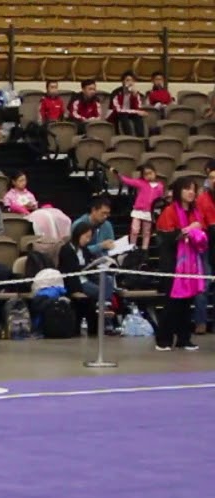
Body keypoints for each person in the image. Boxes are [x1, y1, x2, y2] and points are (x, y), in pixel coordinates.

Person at [154, 178, 207, 351]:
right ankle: (164, 339)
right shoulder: (169, 211)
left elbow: (202, 234)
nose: (191, 192)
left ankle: (184, 338)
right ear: (179, 191)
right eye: (187, 189)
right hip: (173, 262)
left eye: (193, 189)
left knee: (187, 302)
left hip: (192, 263)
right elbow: (166, 237)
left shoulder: (196, 212)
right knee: (172, 302)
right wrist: (188, 230)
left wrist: (197, 234)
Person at [115, 163, 164, 249]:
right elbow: (129, 181)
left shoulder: (159, 186)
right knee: (134, 230)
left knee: (146, 232)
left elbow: (160, 199)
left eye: (150, 173)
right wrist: (119, 176)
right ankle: (132, 247)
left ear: (155, 173)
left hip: (149, 211)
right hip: (138, 210)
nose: (149, 176)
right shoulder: (141, 183)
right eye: (146, 174)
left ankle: (144, 249)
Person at [108, 71, 146, 137]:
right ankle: (129, 137)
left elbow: (138, 108)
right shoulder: (116, 93)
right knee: (123, 115)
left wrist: (134, 96)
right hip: (116, 114)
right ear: (123, 82)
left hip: (130, 113)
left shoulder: (136, 93)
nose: (130, 83)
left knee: (138, 117)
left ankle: (141, 138)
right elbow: (118, 110)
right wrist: (136, 111)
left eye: (132, 80)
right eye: (127, 80)